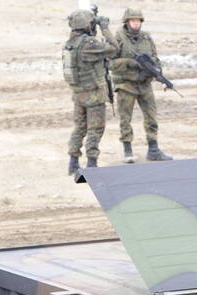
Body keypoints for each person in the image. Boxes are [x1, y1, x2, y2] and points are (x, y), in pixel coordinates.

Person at [110, 8, 172, 162]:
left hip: (144, 84)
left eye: (138, 21)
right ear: (127, 22)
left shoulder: (146, 38)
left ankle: (153, 148)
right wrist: (130, 63)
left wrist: (156, 71)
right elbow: (110, 63)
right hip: (126, 85)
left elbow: (155, 58)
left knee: (151, 117)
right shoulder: (117, 38)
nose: (136, 24)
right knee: (125, 119)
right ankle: (127, 150)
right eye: (133, 21)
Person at [63, 9, 119, 175]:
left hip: (78, 94)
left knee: (79, 128)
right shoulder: (89, 44)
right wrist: (105, 28)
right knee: (95, 129)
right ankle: (92, 163)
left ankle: (73, 162)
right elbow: (114, 48)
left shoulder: (70, 43)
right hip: (93, 95)